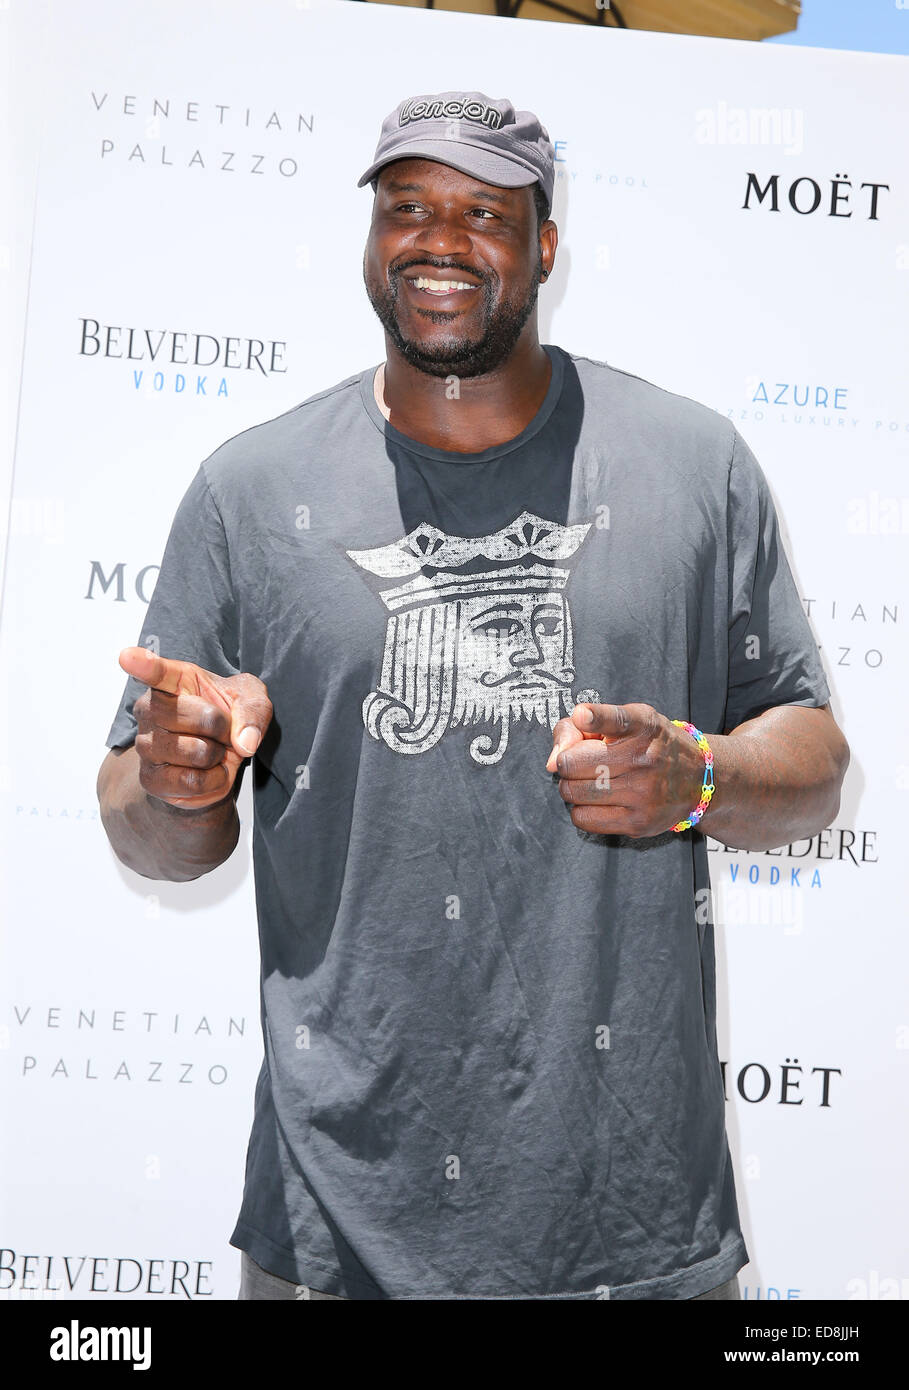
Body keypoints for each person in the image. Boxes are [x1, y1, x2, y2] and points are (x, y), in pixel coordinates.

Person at [97, 91, 849, 1301]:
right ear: (369, 235)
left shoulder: (693, 466)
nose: (438, 238)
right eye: (406, 206)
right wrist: (173, 780)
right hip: (333, 1230)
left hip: (633, 1232)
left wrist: (695, 774)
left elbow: (812, 759)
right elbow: (150, 827)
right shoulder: (250, 489)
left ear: (545, 245)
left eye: (483, 212)